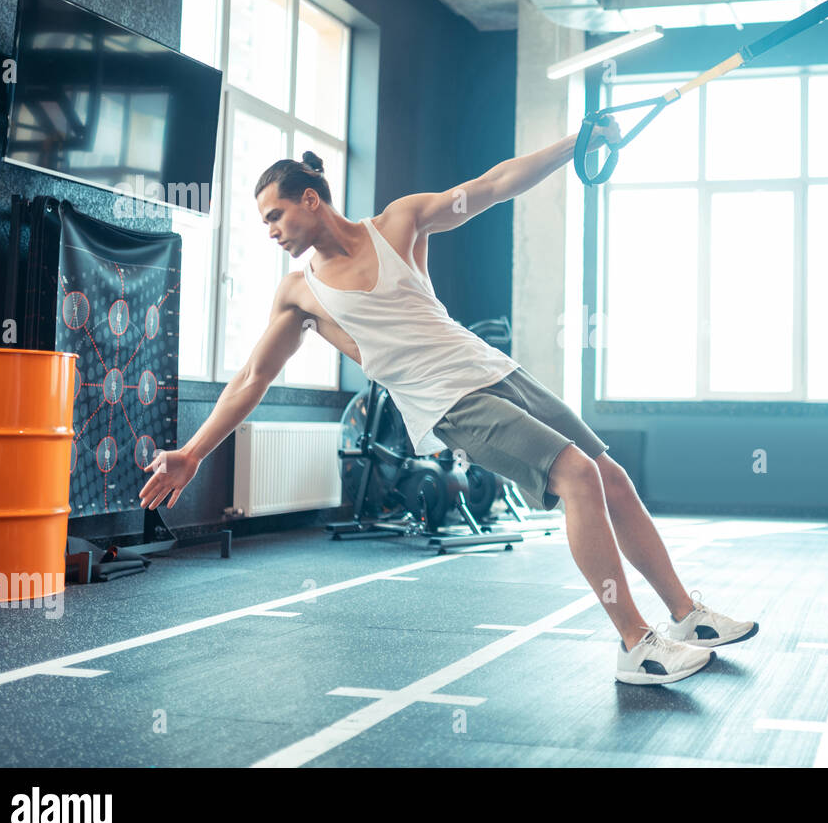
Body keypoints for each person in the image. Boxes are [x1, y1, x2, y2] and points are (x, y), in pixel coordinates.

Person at [138, 123, 758, 685]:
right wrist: (192, 453)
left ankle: (686, 616)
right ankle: (635, 644)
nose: (271, 232)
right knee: (577, 476)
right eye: (264, 224)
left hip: (496, 371)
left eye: (275, 215)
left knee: (611, 477)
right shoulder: (300, 294)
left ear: (310, 199)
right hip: (449, 402)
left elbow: (491, 186)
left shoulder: (399, 224)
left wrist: (578, 142)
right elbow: (252, 376)